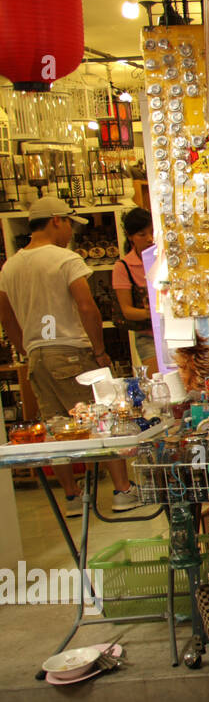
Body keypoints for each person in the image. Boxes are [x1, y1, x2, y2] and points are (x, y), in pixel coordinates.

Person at [0, 196, 143, 515]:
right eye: (69, 224)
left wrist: (26, 348)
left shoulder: (11, 266)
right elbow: (86, 306)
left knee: (56, 429)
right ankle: (122, 491)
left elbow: (6, 316)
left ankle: (71, 497)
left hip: (37, 355)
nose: (71, 232)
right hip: (71, 352)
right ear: (56, 220)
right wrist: (99, 350)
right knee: (101, 419)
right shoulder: (65, 259)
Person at [112, 207, 157, 376]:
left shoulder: (167, 259)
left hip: (176, 332)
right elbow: (127, 311)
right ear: (130, 236)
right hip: (147, 336)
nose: (150, 238)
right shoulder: (123, 267)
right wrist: (155, 312)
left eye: (152, 232)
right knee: (158, 379)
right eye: (142, 234)